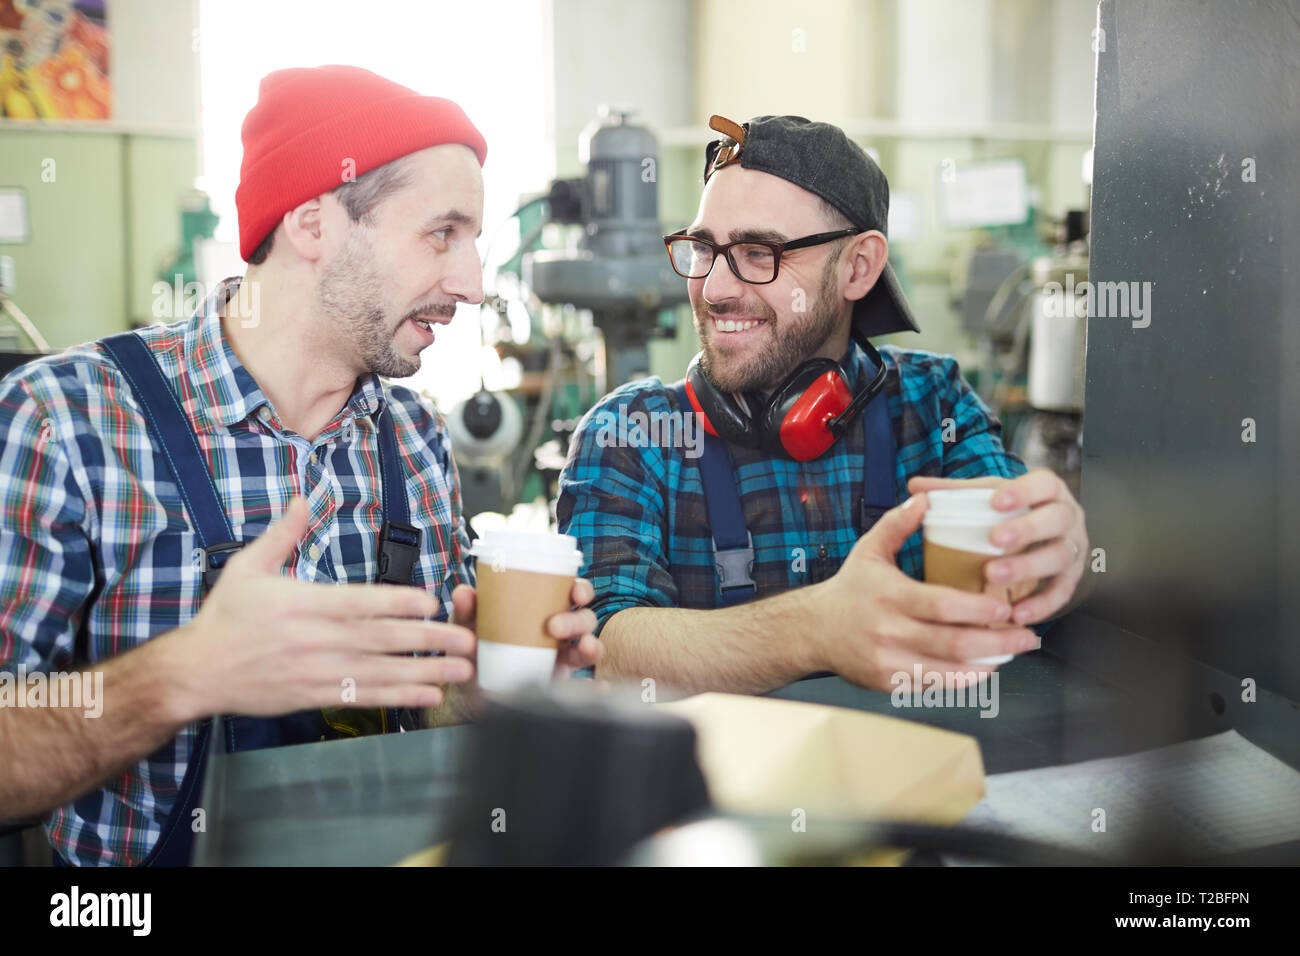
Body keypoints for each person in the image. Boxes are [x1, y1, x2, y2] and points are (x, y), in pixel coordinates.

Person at [0, 65, 600, 866]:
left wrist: (481, 691)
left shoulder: (413, 437)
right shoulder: (67, 420)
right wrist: (184, 675)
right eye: (441, 234)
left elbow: (427, 721)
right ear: (314, 224)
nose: (471, 284)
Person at [557, 113, 1088, 695]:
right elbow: (598, 642)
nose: (713, 288)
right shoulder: (631, 434)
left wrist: (1045, 552)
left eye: (760, 252)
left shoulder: (934, 405)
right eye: (703, 248)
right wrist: (813, 630)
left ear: (858, 267)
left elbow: (1007, 583)